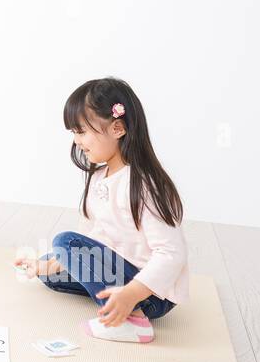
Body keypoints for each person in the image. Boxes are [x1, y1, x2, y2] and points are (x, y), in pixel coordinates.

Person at [16, 77, 189, 343]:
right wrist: (50, 264)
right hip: (121, 273)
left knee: (66, 242)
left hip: (151, 294)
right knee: (52, 270)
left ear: (117, 128)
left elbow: (171, 254)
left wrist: (132, 293)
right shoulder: (100, 176)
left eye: (82, 131)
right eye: (73, 133)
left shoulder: (143, 184)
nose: (77, 141)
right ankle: (113, 298)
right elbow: (97, 238)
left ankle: (135, 320)